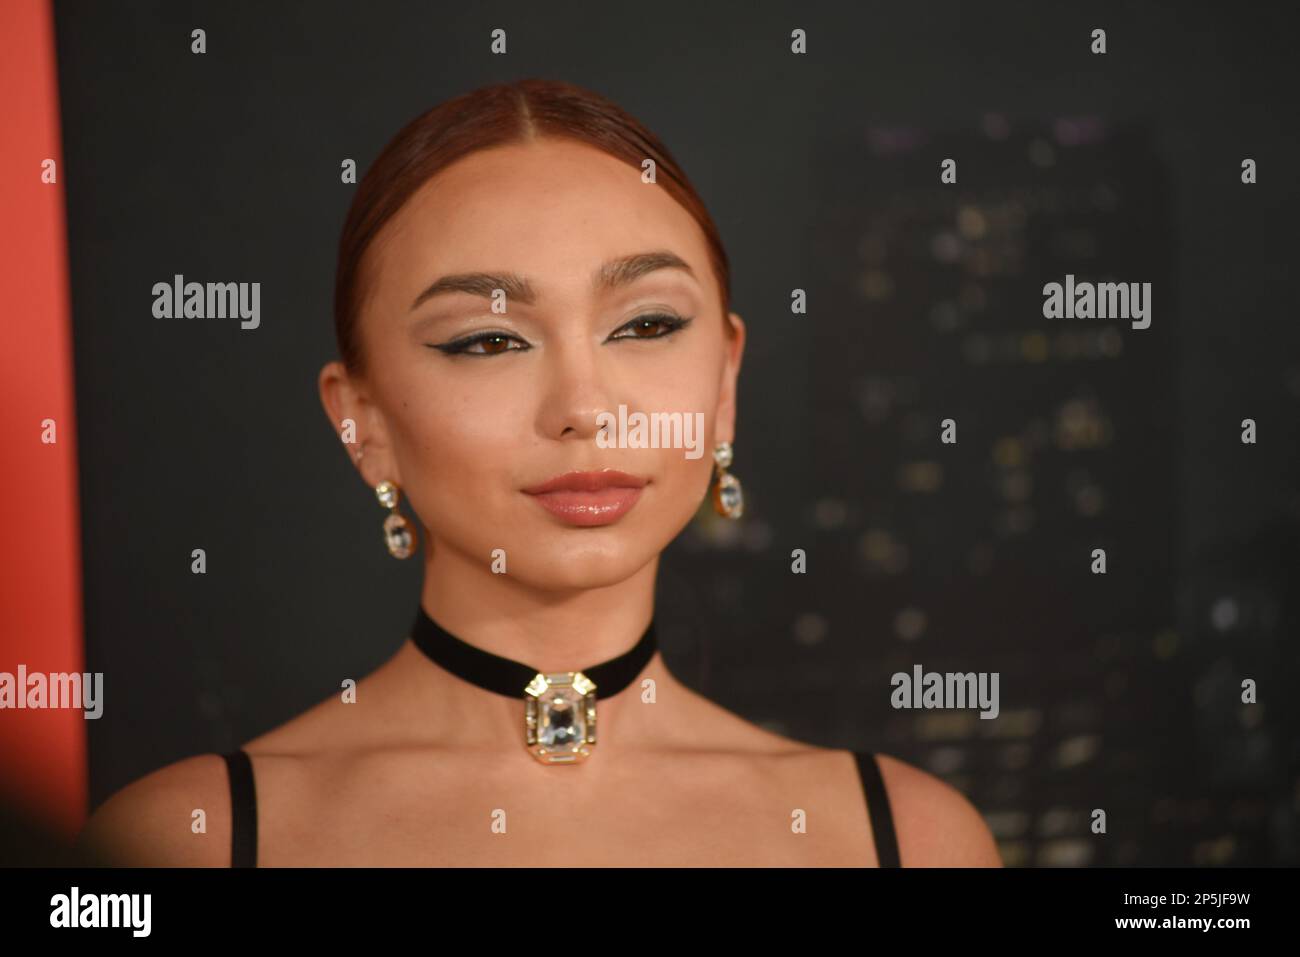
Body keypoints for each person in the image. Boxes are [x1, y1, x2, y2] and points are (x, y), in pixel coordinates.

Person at [77, 78, 1001, 867]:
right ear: (361, 420)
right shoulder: (184, 842)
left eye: (645, 325)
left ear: (725, 381)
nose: (583, 406)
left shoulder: (908, 841)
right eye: (487, 339)